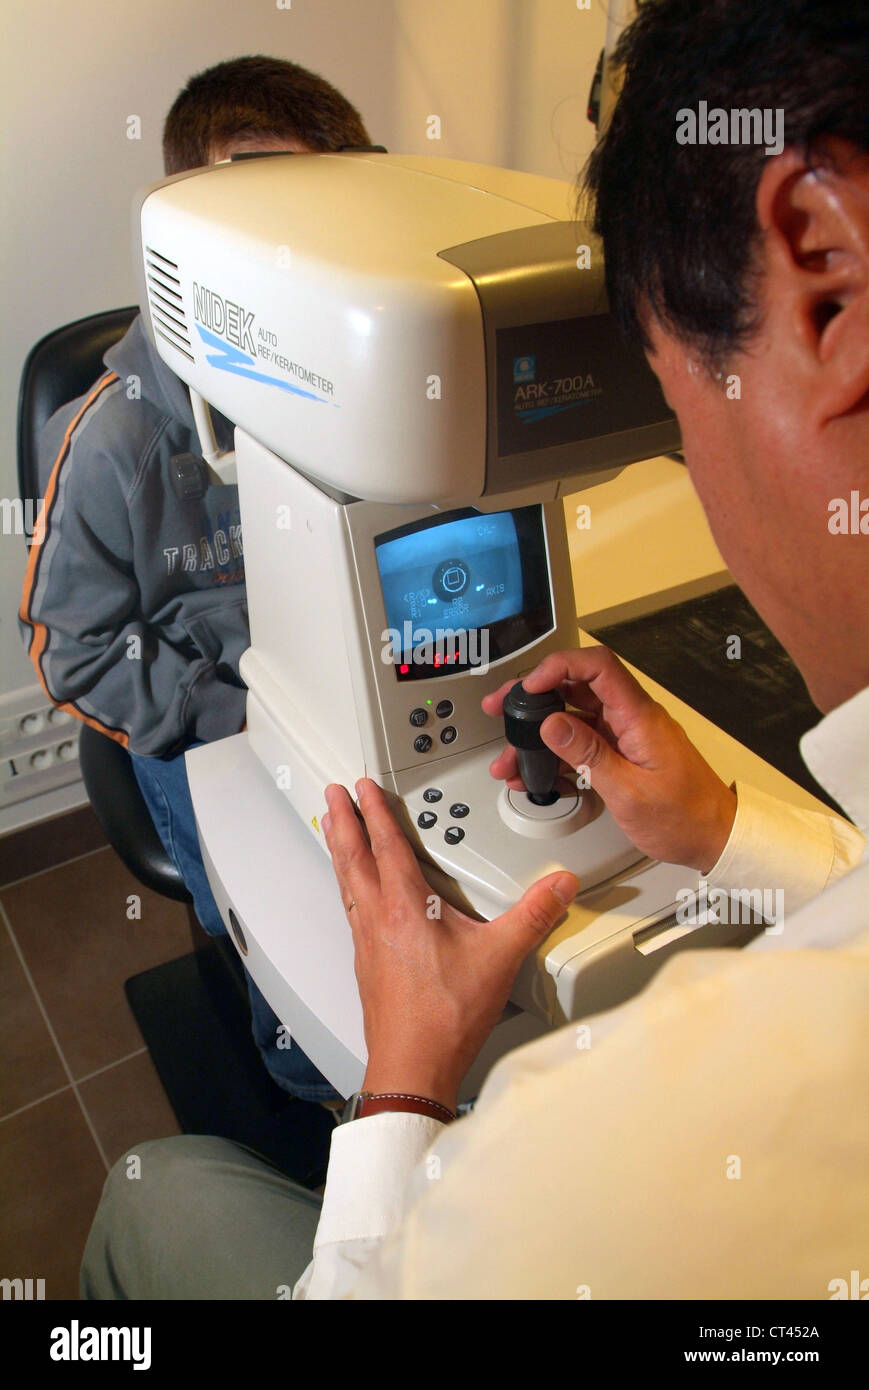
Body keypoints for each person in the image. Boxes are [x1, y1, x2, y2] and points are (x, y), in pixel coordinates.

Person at [81, 0, 869, 1299]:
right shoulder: (121, 439)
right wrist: (733, 833)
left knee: (150, 1186)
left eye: (665, 396)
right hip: (205, 715)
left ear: (826, 276)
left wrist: (399, 1088)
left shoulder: (576, 1162)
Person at [19, 56, 371, 1104]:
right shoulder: (113, 439)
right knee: (288, 921)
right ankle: (293, 1061)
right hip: (204, 717)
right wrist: (218, 711)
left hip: (334, 689)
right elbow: (73, 651)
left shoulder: (348, 384)